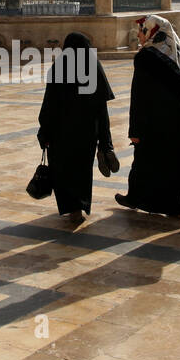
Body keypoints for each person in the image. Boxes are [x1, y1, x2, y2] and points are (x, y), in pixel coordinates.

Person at [116, 15, 180, 219]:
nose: (138, 35)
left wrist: (134, 130)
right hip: (179, 118)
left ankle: (137, 198)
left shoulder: (145, 57)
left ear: (152, 33)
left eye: (142, 31)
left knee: (148, 162)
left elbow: (139, 97)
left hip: (155, 120)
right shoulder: (178, 54)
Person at [36, 32, 116, 223]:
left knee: (63, 170)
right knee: (82, 169)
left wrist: (44, 131)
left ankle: (70, 207)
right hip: (86, 132)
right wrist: (105, 140)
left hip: (60, 133)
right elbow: (101, 107)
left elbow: (49, 105)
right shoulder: (93, 67)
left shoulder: (59, 67)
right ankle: (81, 204)